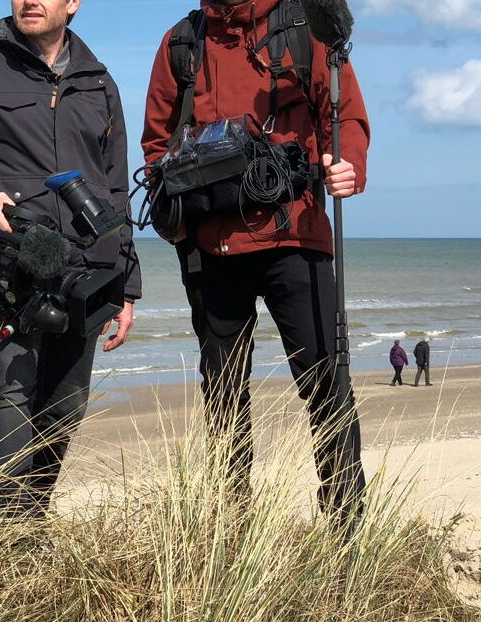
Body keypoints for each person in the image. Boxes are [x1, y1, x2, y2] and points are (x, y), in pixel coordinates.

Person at [141, 0, 369, 525]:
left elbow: (344, 114)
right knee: (223, 398)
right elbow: (158, 143)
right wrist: (173, 205)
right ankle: (233, 527)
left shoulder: (306, 23)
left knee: (326, 386)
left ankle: (348, 528)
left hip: (296, 237)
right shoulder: (182, 42)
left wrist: (347, 165)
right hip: (211, 249)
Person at [0, 0, 142, 518]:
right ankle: (4, 527)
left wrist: (126, 283)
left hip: (88, 267)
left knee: (66, 402)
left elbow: (115, 191)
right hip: (10, 257)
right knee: (13, 388)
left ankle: (31, 516)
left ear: (74, 3)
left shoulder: (99, 81)